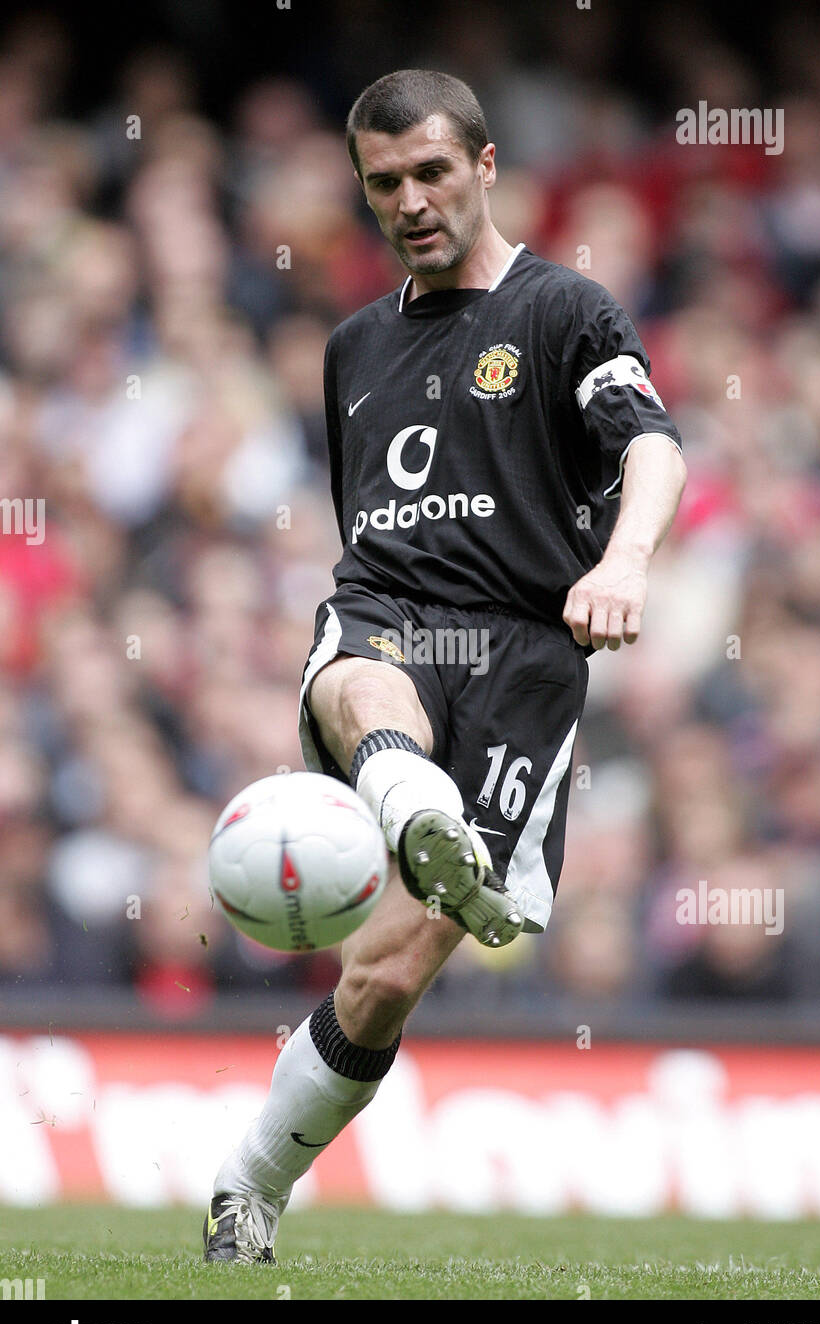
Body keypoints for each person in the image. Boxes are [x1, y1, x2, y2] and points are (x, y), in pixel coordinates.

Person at [204, 68, 686, 1262]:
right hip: (393, 612)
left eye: (429, 173)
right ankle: (413, 800)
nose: (409, 201)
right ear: (364, 194)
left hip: (525, 657)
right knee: (362, 675)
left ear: (481, 166)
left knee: (378, 983)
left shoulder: (565, 309)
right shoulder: (352, 347)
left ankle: (247, 1176)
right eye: (382, 184)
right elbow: (361, 528)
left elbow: (656, 448)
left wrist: (621, 564)